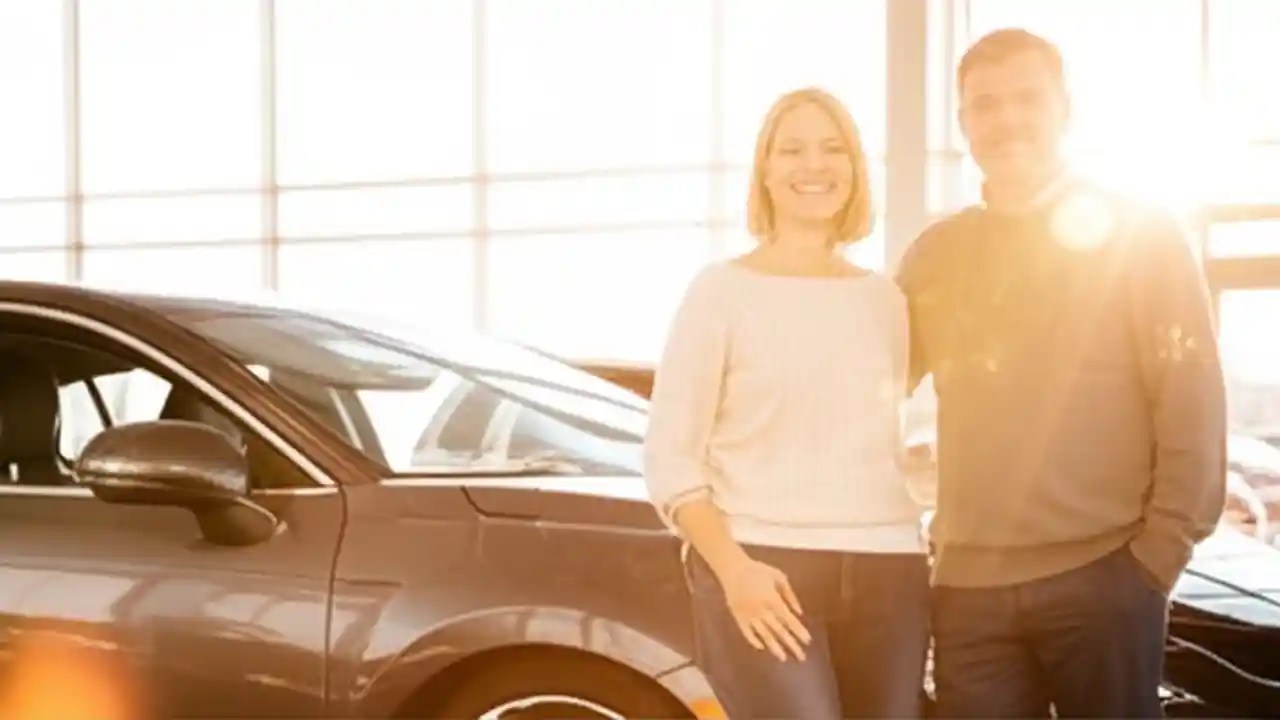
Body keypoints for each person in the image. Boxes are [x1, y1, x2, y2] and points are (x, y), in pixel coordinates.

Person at [895, 28, 1227, 718]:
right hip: (968, 596)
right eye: (986, 105)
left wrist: (1155, 558)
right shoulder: (935, 256)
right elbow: (862, 386)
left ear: (1064, 110)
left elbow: (1190, 402)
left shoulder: (1142, 235)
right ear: (964, 124)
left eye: (1027, 99)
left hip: (1106, 580)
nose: (1007, 119)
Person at [644, 87, 930, 719]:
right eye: (792, 149)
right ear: (765, 171)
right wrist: (733, 571)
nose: (814, 165)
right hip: (761, 565)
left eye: (833, 149)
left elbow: (895, 439)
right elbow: (670, 460)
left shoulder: (885, 301)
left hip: (890, 567)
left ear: (855, 170)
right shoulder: (721, 293)